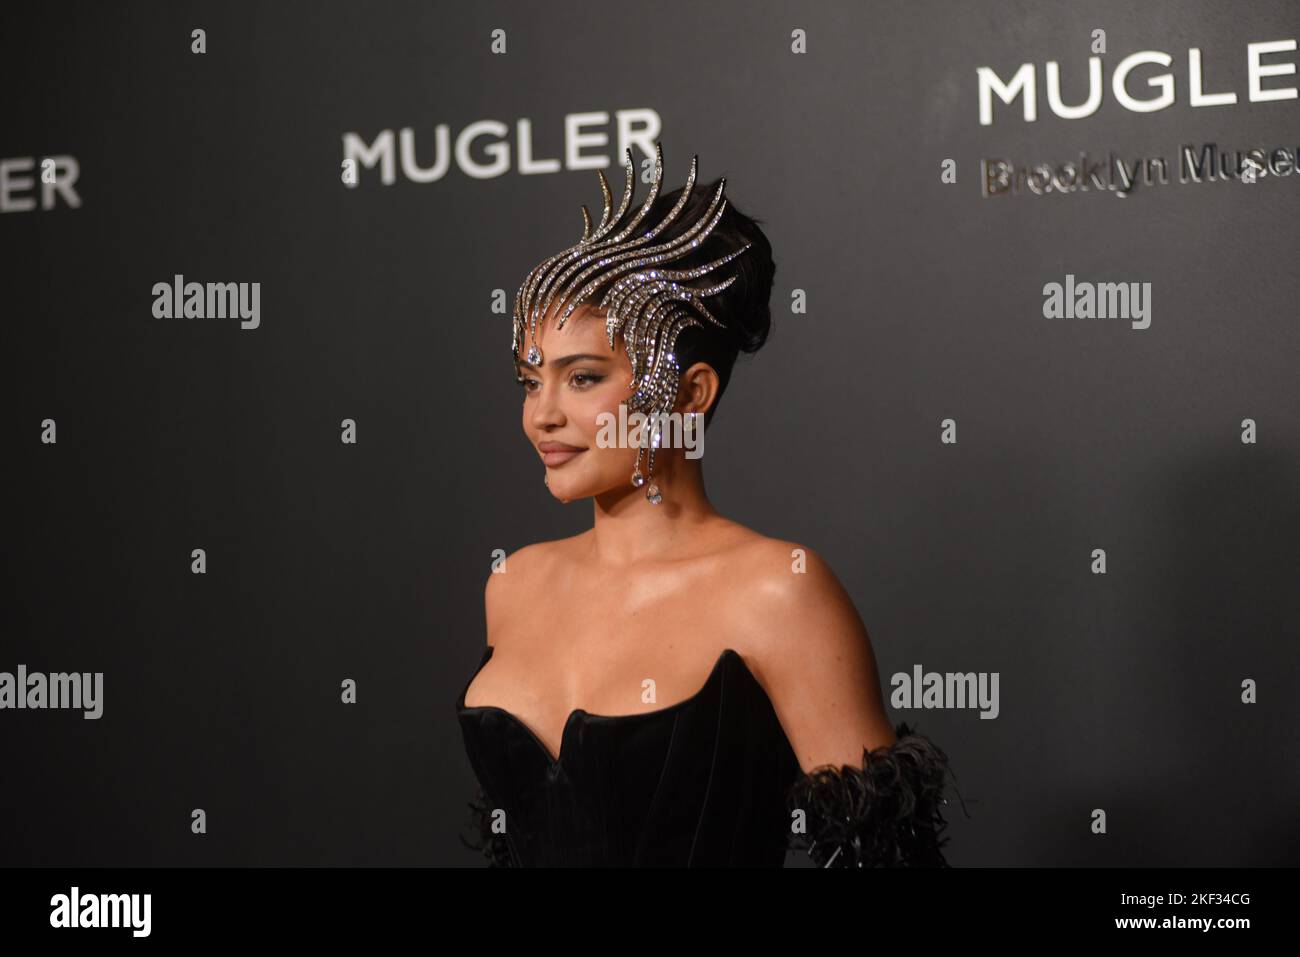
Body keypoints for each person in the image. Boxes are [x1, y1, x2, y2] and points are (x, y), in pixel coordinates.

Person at [455, 143, 956, 866]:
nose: (543, 415)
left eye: (584, 377)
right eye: (531, 382)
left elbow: (887, 859)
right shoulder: (513, 584)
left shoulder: (777, 590)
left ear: (691, 393)